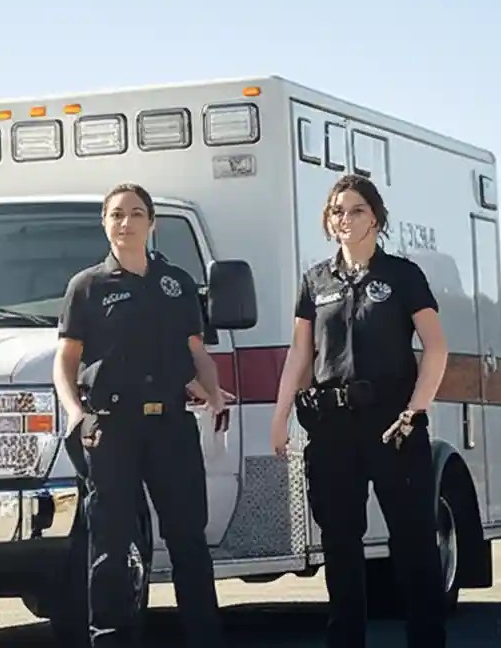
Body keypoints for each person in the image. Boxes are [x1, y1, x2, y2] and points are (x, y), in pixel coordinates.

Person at [271, 174, 449, 648]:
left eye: (355, 210)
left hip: (393, 423)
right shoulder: (315, 281)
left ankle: (427, 639)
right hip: (332, 428)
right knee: (340, 546)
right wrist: (280, 414)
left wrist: (415, 411)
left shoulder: (403, 275)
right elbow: (300, 355)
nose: (345, 219)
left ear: (376, 217)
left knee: (412, 544)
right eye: (337, 212)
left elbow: (436, 349)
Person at [53, 182, 229, 648]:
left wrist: (213, 394)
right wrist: (75, 413)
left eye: (135, 214)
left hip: (171, 426)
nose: (125, 223)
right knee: (109, 544)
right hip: (110, 428)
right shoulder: (86, 286)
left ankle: (205, 636)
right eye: (116, 214)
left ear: (152, 223)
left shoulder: (177, 284)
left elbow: (198, 352)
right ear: (104, 223)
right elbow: (66, 361)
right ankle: (109, 638)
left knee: (188, 539)